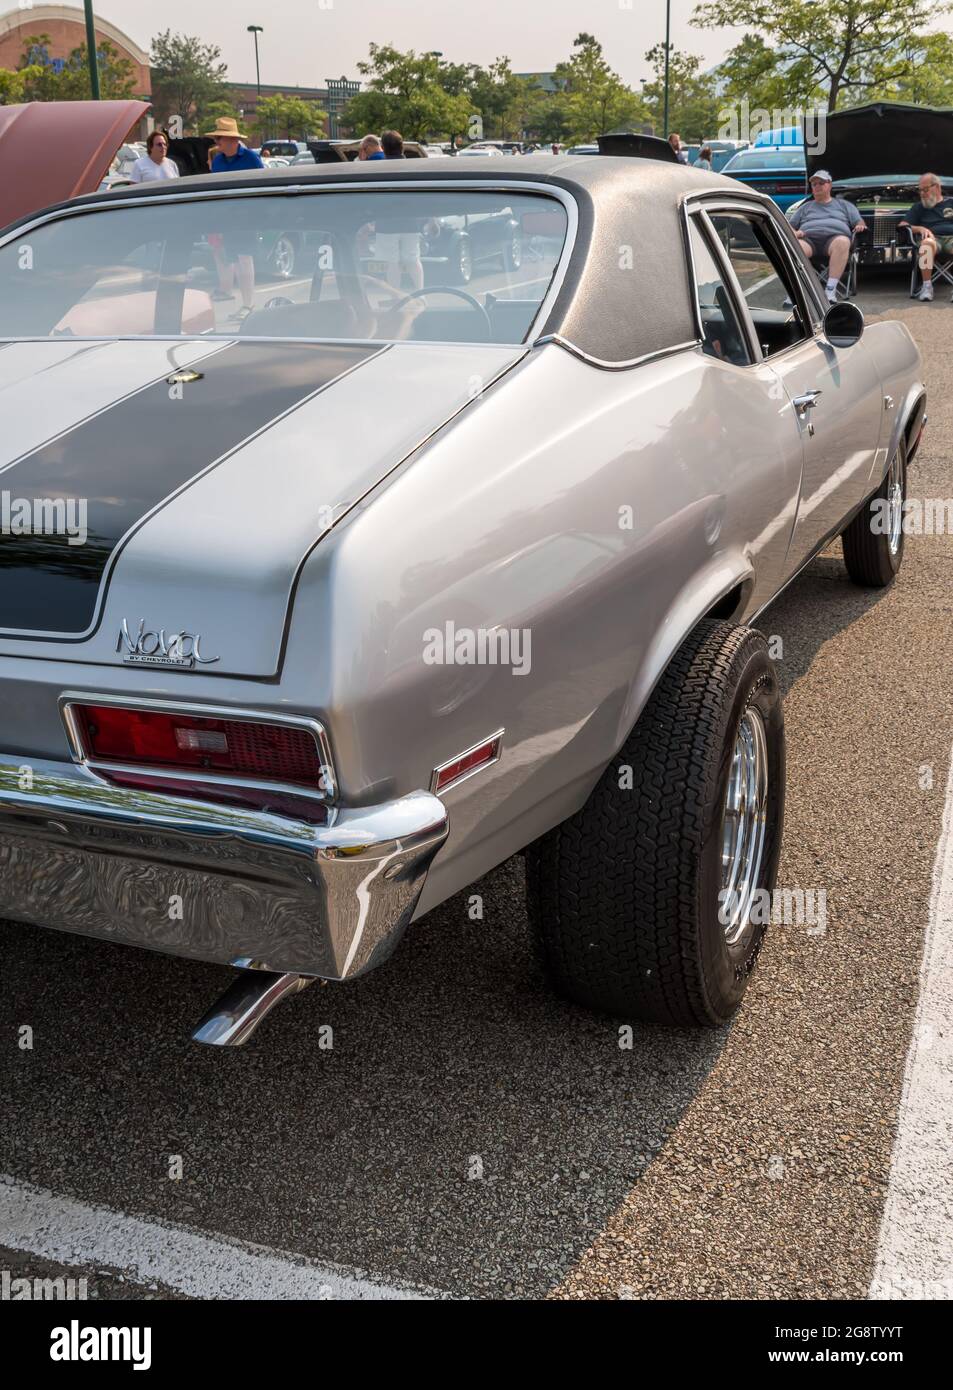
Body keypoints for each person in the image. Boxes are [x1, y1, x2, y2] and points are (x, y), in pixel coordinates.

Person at [207, 119, 264, 321]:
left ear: (231, 139)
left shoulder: (251, 159)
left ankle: (249, 304)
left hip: (247, 218)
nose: (217, 143)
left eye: (219, 138)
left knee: (245, 257)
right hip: (226, 219)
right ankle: (245, 303)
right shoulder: (219, 161)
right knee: (235, 260)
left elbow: (264, 187)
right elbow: (214, 190)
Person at [787, 170, 866, 303]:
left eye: (821, 183)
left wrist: (860, 226)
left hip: (834, 240)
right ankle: (795, 291)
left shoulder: (844, 205)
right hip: (808, 240)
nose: (817, 186)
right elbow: (789, 226)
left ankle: (830, 290)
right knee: (794, 247)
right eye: (814, 184)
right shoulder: (805, 207)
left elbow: (859, 221)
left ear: (829, 185)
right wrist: (794, 233)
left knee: (843, 242)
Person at [898, 172, 953, 302]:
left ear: (937, 187)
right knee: (926, 244)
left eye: (926, 189)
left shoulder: (951, 203)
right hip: (932, 240)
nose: (922, 193)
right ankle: (927, 287)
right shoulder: (919, 207)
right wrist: (920, 228)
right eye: (920, 190)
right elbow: (902, 226)